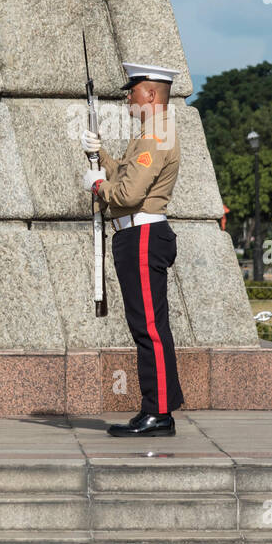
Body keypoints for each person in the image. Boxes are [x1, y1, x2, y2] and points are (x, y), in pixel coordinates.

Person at [81, 62, 184, 436]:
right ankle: (159, 408)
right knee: (150, 327)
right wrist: (100, 156)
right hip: (135, 235)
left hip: (141, 238)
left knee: (149, 330)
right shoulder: (151, 134)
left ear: (151, 95)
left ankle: (157, 412)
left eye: (134, 89)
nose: (128, 96)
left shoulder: (156, 136)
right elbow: (126, 174)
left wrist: (97, 187)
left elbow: (127, 193)